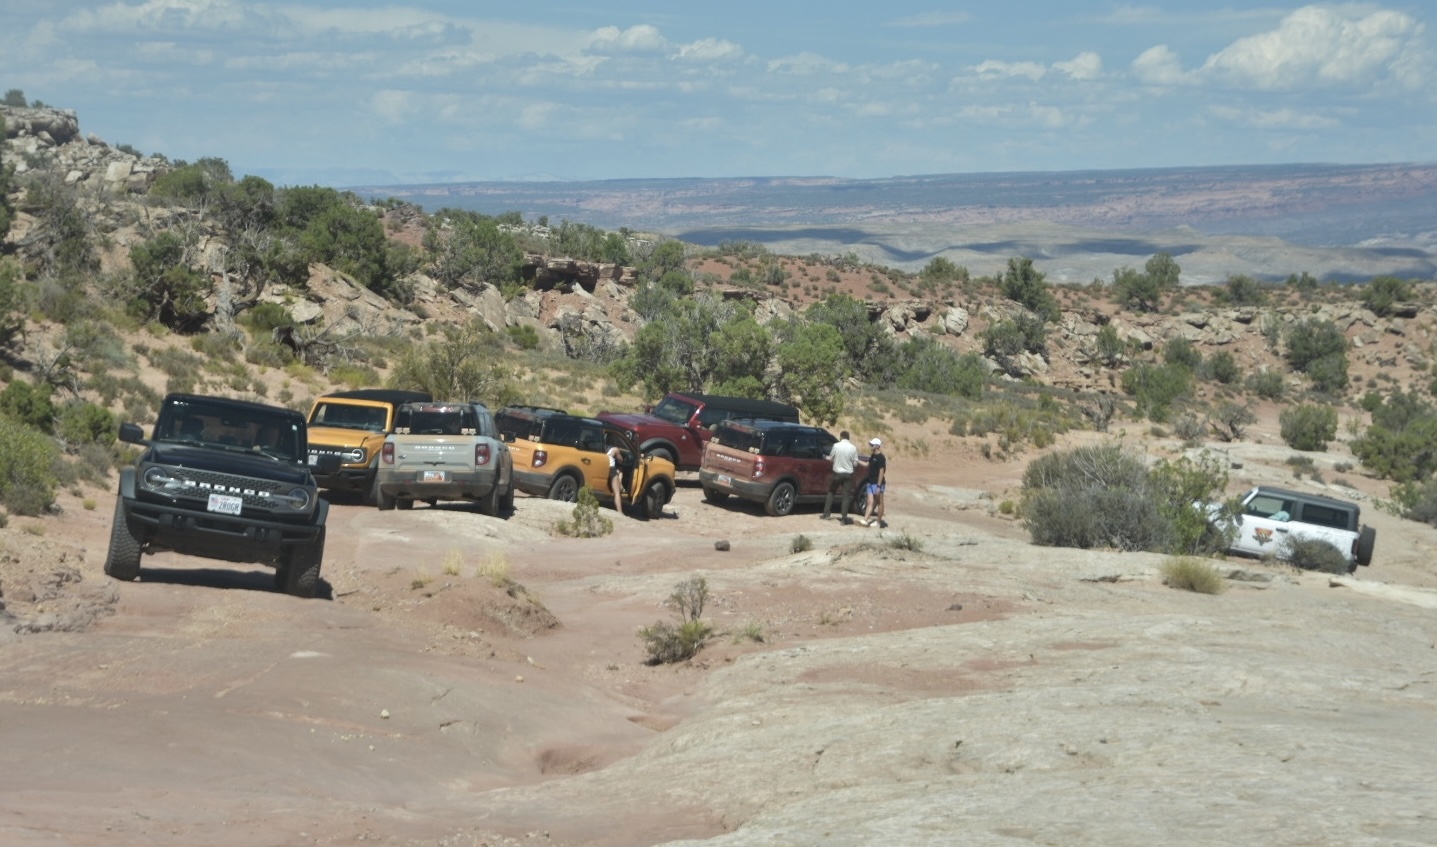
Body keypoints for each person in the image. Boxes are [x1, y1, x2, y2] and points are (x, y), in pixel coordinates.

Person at [821, 430, 859, 524]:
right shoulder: (853, 448)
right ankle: (844, 518)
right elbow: (855, 463)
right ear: (848, 437)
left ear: (841, 437)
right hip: (848, 474)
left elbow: (831, 458)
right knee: (846, 496)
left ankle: (826, 513)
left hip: (837, 473)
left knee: (831, 492)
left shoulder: (836, 446)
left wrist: (824, 457)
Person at [862, 438, 887, 527]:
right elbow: (866, 464)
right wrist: (856, 460)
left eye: (872, 445)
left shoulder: (881, 458)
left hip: (877, 483)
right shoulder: (873, 456)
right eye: (870, 444)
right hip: (870, 482)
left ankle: (878, 522)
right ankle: (865, 520)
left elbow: (881, 471)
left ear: (877, 446)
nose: (870, 446)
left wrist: (879, 486)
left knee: (879, 502)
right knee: (870, 501)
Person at [607, 443, 628, 515]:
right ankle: (620, 512)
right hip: (611, 469)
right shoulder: (615, 449)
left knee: (619, 471)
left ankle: (620, 484)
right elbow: (620, 460)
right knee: (617, 493)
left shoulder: (602, 446)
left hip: (604, 467)